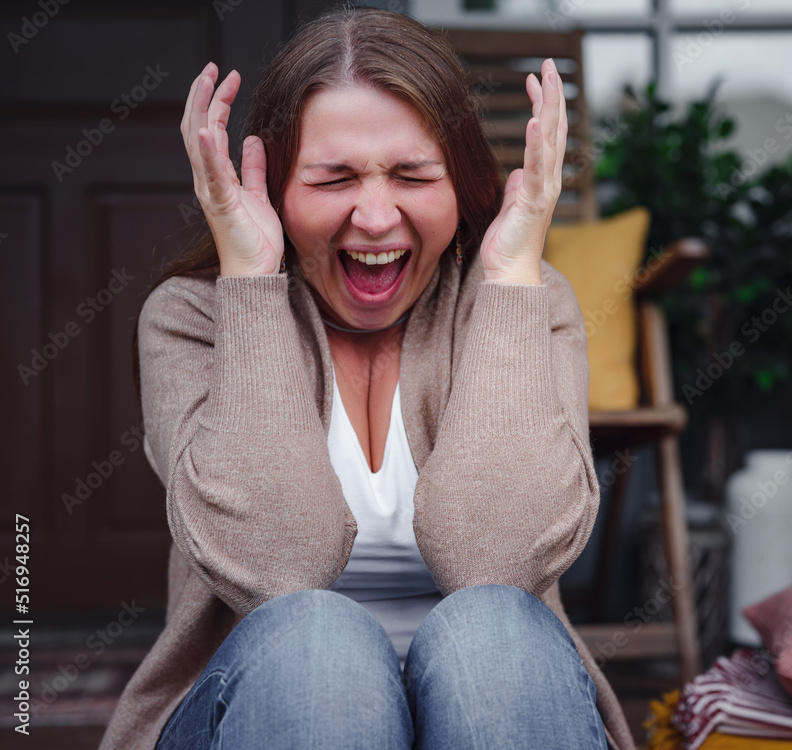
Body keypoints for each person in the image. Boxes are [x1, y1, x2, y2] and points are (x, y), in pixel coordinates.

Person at [99, 6, 633, 750]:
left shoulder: (528, 303)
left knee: (492, 630)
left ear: (461, 182)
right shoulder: (192, 320)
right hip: (271, 712)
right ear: (277, 187)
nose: (376, 216)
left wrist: (512, 276)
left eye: (413, 175)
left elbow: (497, 564)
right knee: (317, 642)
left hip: (498, 712)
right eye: (332, 178)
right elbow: (276, 571)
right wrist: (250, 280)